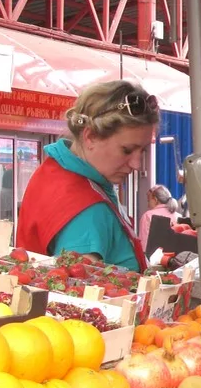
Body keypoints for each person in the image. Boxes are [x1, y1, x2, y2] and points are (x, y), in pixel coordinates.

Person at [17, 80, 157, 271]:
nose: (136, 164)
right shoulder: (86, 211)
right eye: (127, 150)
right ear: (90, 136)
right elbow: (81, 292)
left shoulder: (54, 169)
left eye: (143, 151)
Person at [138, 185, 181, 252]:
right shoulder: (179, 216)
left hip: (155, 260)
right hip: (176, 259)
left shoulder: (148, 216)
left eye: (148, 201)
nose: (148, 205)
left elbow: (144, 245)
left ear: (155, 199)